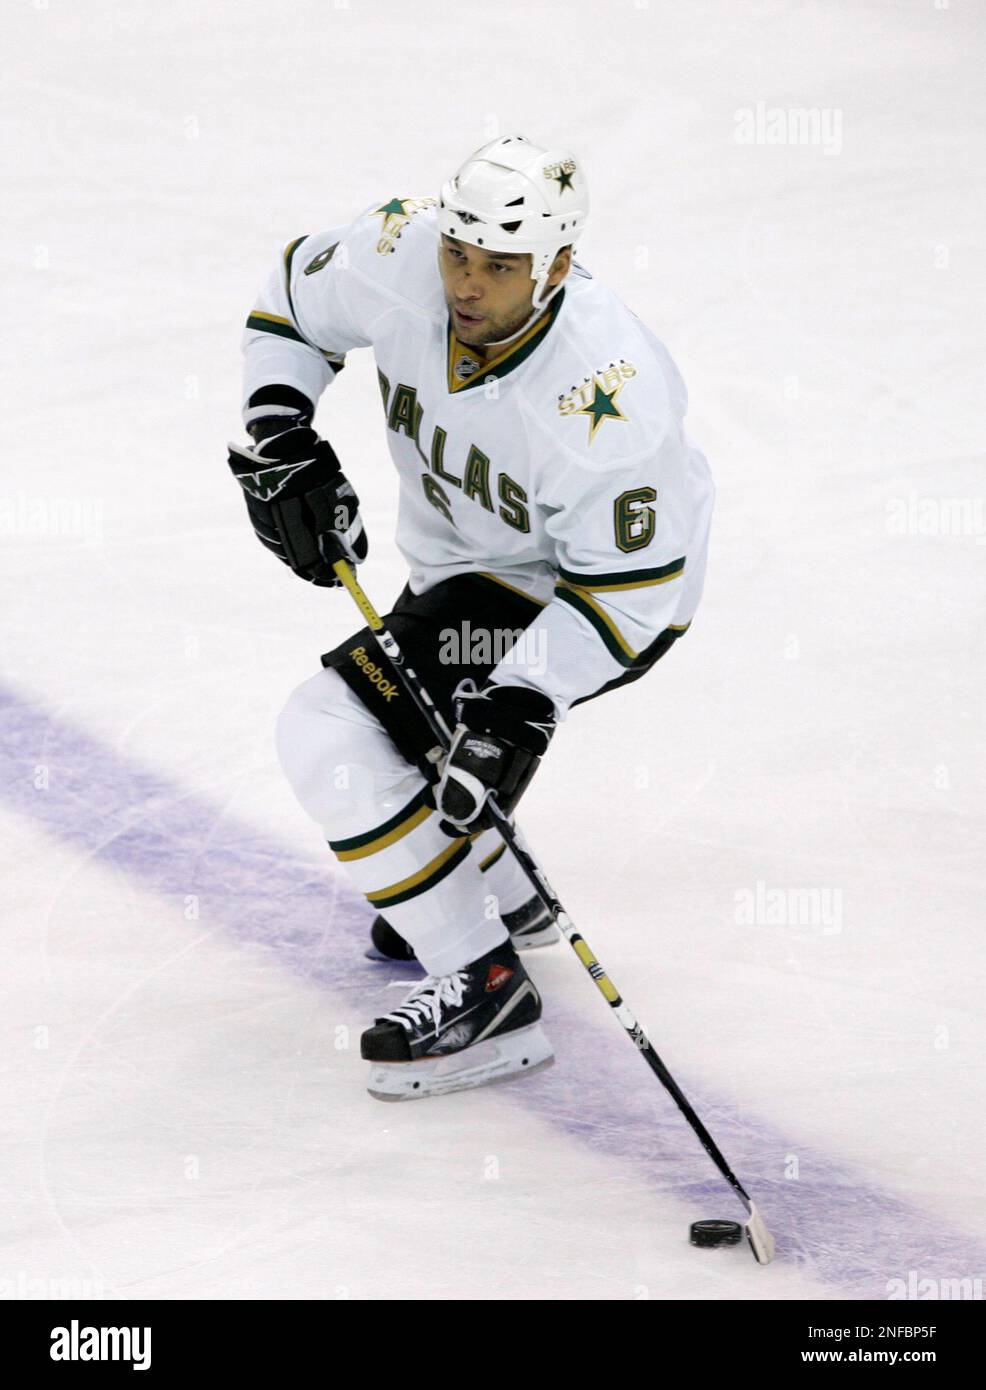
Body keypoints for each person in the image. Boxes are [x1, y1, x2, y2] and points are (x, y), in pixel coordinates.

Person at [228, 134, 714, 1101]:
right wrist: (282, 426)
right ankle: (494, 890)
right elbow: (291, 300)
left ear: (559, 265)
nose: (467, 284)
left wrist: (523, 701)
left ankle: (485, 986)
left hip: (574, 588)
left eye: (501, 266)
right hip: (462, 565)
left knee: (329, 728)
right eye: (461, 254)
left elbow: (636, 592)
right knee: (417, 742)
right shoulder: (405, 250)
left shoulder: (607, 400)